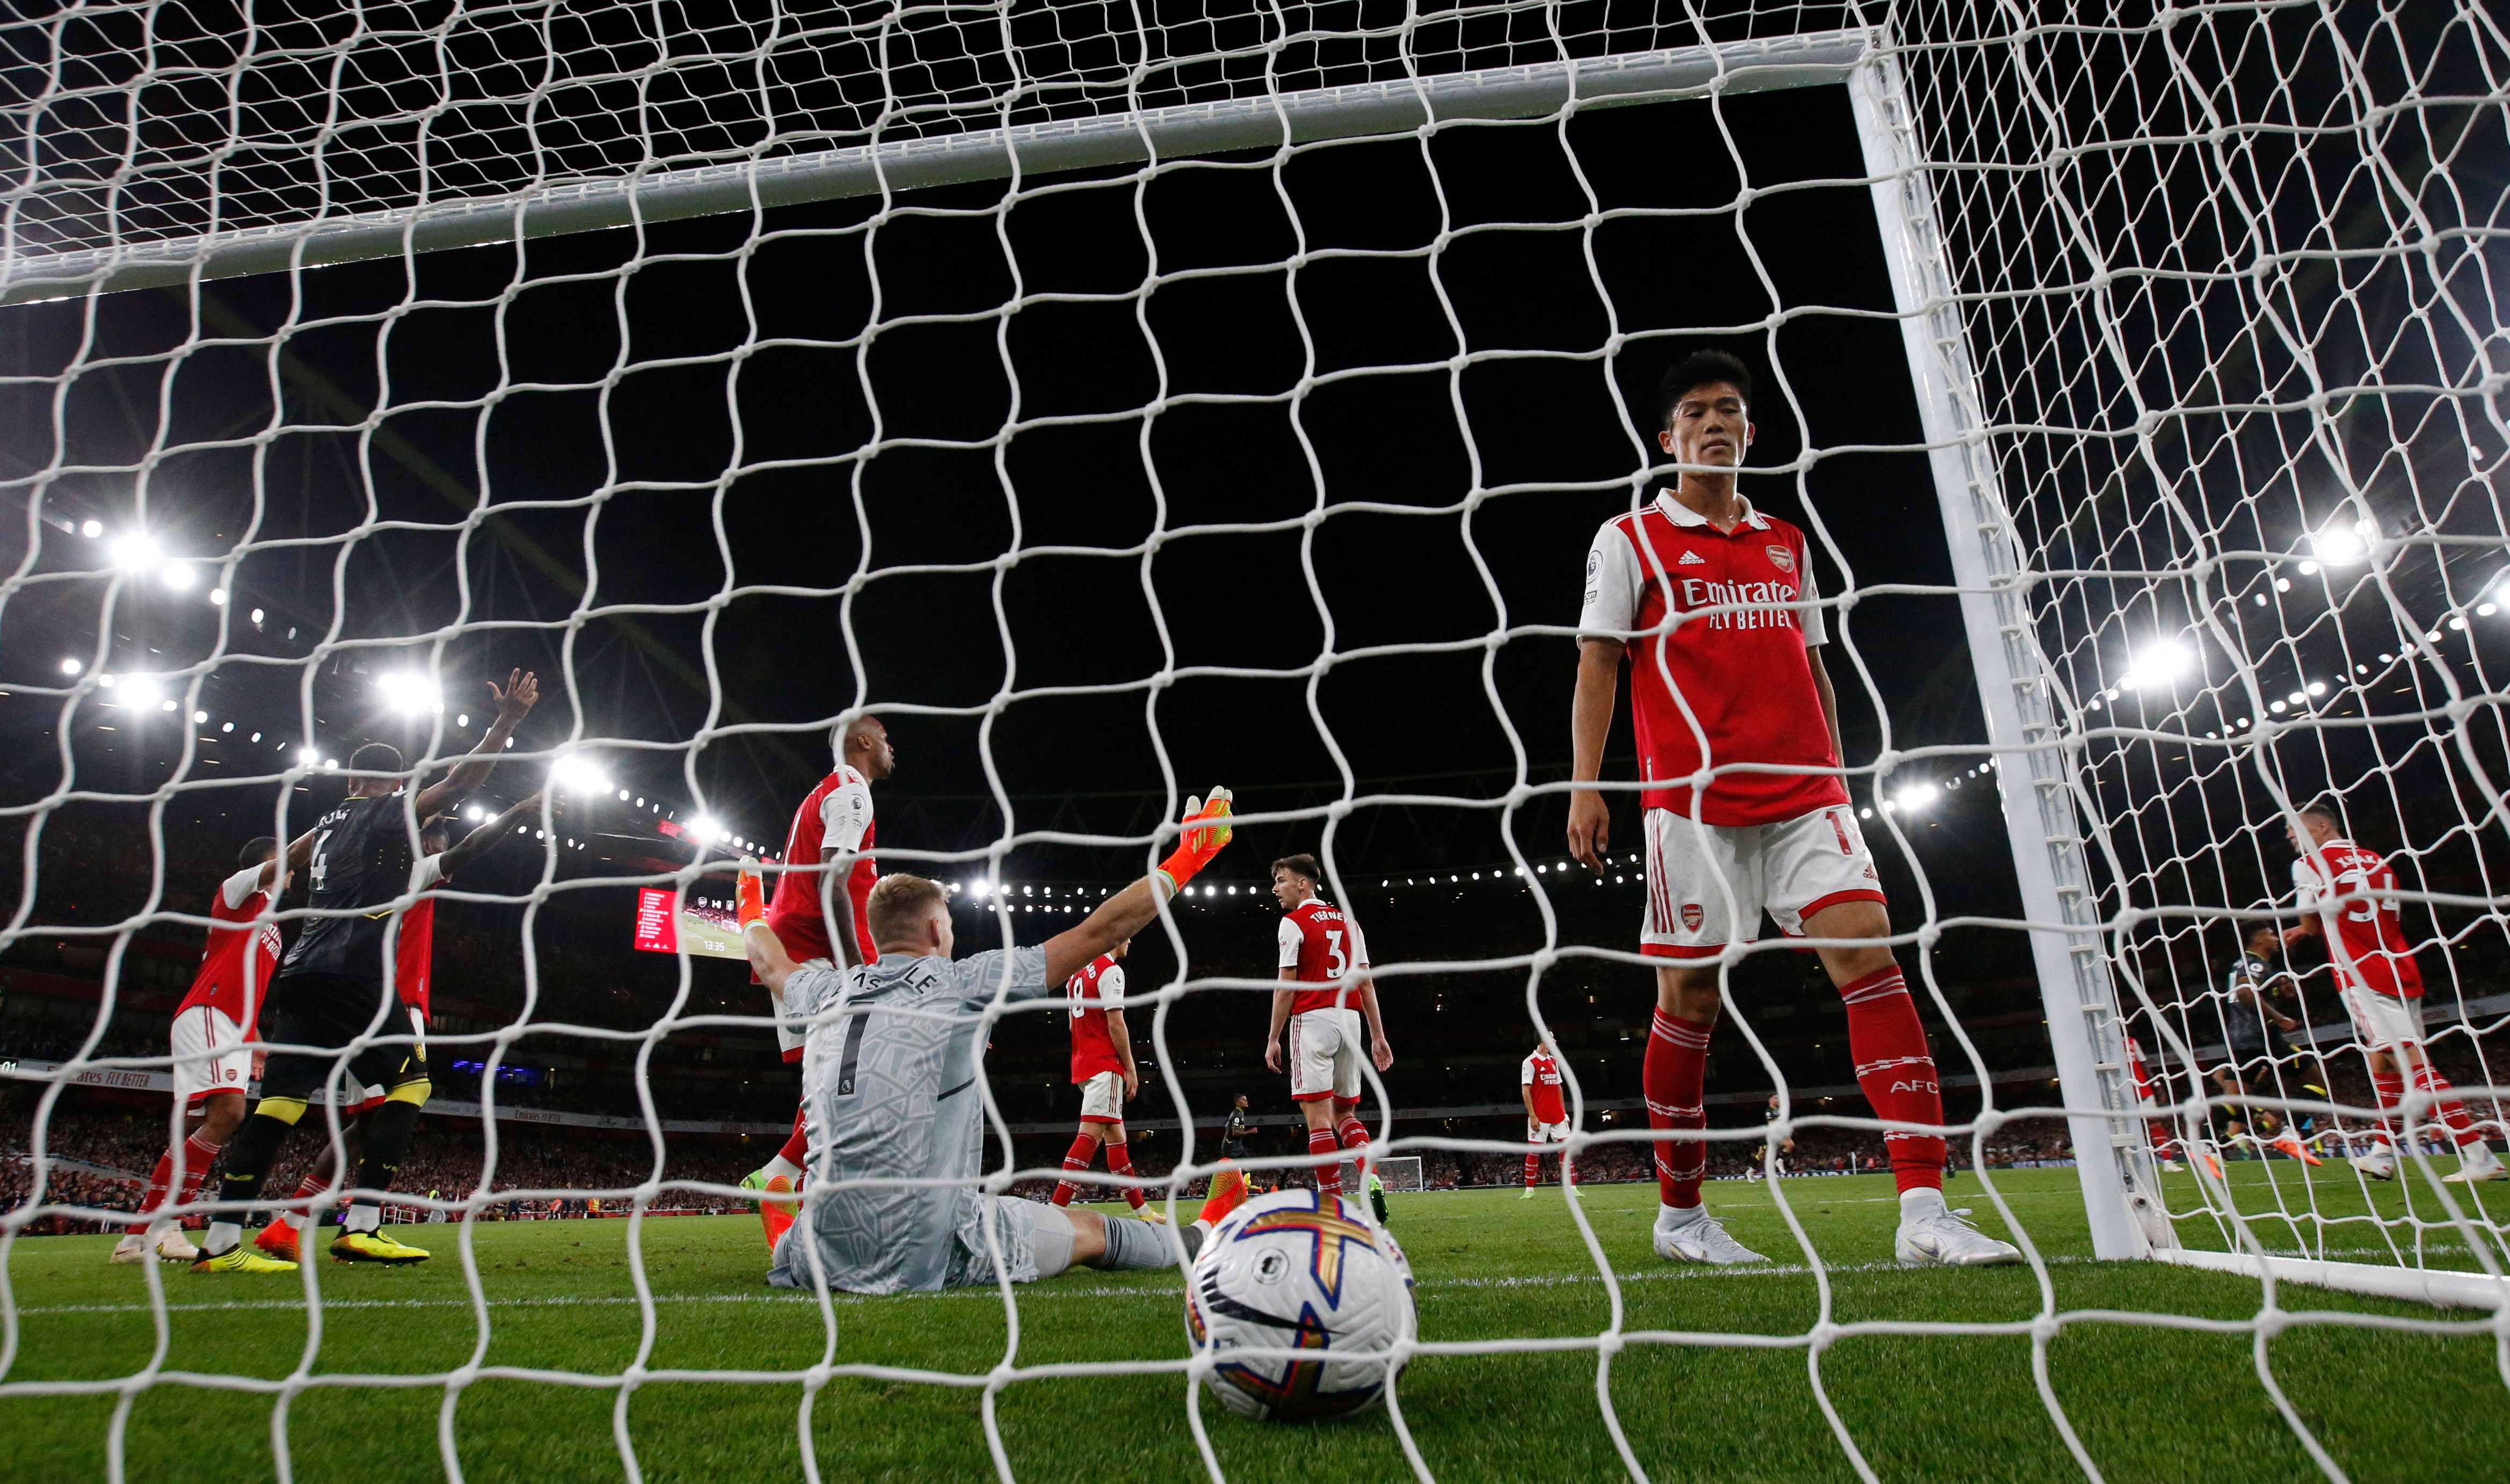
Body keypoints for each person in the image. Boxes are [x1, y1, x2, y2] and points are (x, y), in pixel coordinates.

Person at [1567, 351, 2017, 1268]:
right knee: (1688, 997)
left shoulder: (1787, 541)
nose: (1714, 422)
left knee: (1872, 959)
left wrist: (1839, 771)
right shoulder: (1630, 538)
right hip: (1691, 803)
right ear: (1669, 437)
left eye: (1729, 409)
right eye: (1695, 412)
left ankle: (1925, 1209)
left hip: (1807, 790)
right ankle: (1682, 1214)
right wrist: (1585, 782)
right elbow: (1599, 661)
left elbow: (1814, 662)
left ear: (1752, 430)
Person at [737, 790, 1249, 1294]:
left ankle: (785, 1227)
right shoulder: (962, 983)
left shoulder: (824, 989)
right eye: (952, 926)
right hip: (934, 1245)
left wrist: (751, 905)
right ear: (937, 929)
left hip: (823, 1248)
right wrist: (1190, 857)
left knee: (804, 1244)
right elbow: (1101, 931)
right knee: (1093, 1232)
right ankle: (1201, 1235)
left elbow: (767, 960)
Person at [191, 668, 539, 1274]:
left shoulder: (323, 827)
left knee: (280, 1102)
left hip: (300, 972)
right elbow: (458, 783)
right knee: (411, 1087)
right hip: (357, 976)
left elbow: (288, 860)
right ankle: (363, 1226)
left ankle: (220, 1244)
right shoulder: (386, 816)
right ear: (395, 786)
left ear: (351, 778)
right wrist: (506, 722)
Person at [250, 796, 544, 1262]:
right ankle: (360, 1226)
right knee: (405, 1097)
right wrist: (519, 810)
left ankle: (291, 1223)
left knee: (368, 1122)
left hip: (358, 997)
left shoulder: (362, 878)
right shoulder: (408, 874)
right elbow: (471, 845)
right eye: (432, 841)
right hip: (388, 1001)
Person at [113, 833, 306, 1264]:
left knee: (191, 1128)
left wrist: (253, 1039)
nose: (292, 873)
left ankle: (135, 1237)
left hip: (233, 1026)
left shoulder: (272, 924)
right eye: (284, 864)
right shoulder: (237, 892)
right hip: (209, 1012)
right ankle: (170, 1226)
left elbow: (251, 986)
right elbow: (286, 860)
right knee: (230, 1115)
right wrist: (333, 825)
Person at [2283, 802, 2501, 1182]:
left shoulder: (2309, 864)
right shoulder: (2375, 860)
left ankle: (2478, 1154)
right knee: (2380, 1062)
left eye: (2293, 829)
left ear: (2319, 828)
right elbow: (2363, 909)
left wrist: (2306, 926)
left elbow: (2313, 924)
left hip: (2360, 975)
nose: (2288, 836)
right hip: (2399, 965)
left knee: (2413, 1065)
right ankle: (2382, 1155)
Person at [745, 715, 893, 1211]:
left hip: (798, 949)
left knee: (834, 1076)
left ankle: (785, 1177)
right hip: (819, 955)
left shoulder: (823, 792)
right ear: (865, 741)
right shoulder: (852, 790)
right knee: (866, 1068)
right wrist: (854, 969)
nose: (893, 749)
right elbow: (833, 881)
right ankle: (791, 1177)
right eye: (887, 740)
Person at [1264, 854, 1393, 1223]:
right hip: (1350, 1022)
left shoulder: (1292, 923)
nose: (1276, 889)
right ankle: (1370, 1177)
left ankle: (1332, 1206)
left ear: (1304, 883)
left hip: (1312, 1018)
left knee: (1318, 1119)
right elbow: (1366, 983)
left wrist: (1274, 1037)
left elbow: (1285, 988)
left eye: (1282, 881)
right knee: (1345, 1113)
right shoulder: (1349, 923)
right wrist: (1378, 1036)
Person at [1048, 939, 1160, 1219]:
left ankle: (1143, 1210)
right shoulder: (1112, 971)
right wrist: (1131, 1068)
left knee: (1117, 1138)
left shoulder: (1077, 973)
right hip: (1105, 1064)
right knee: (1088, 1137)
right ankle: (1055, 1210)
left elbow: (1073, 1023)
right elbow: (1115, 1022)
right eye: (1128, 935)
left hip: (1083, 1063)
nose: (1131, 941)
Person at [2213, 928, 2318, 1165]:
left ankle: (2206, 1145)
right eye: (2271, 934)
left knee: (2234, 1100)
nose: (2276, 939)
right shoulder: (2256, 963)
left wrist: (2277, 989)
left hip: (2240, 1040)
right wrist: (2280, 1018)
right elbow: (2245, 992)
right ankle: (2292, 1133)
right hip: (2262, 1039)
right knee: (2317, 1081)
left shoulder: (2243, 964)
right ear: (2258, 938)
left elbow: (2251, 990)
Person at [1520, 1036, 1573, 1196]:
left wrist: (1564, 1112)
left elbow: (1559, 1088)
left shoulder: (1554, 1061)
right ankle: (1529, 1189)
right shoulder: (1530, 1062)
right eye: (1552, 1038)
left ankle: (1572, 1188)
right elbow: (1526, 1090)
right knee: (1535, 1151)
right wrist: (1533, 1115)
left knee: (1566, 1150)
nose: (1555, 1041)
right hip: (1540, 1115)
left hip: (1557, 1115)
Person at [1221, 1094, 1256, 1163]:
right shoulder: (1237, 1115)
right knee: (1230, 1171)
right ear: (1238, 1103)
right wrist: (1251, 1131)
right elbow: (1235, 1133)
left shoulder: (1239, 1113)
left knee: (1247, 1167)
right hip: (1231, 1149)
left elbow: (1227, 1127)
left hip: (1238, 1148)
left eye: (1246, 1100)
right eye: (1243, 1100)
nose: (1246, 1101)